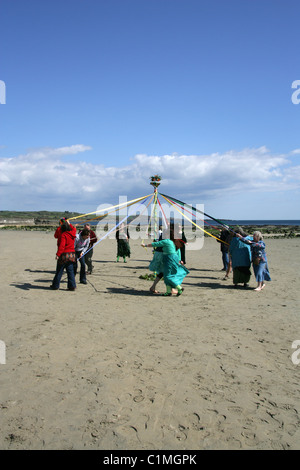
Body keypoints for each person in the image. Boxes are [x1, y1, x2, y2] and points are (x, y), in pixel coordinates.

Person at [142, 225, 189, 296]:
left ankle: (176, 288)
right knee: (165, 273)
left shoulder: (169, 239)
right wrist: (179, 259)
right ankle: (169, 290)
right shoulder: (171, 238)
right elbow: (177, 249)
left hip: (167, 258)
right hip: (167, 257)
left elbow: (157, 244)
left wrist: (145, 245)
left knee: (166, 275)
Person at [50, 220, 77, 291]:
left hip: (64, 255)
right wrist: (69, 223)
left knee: (59, 271)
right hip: (71, 255)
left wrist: (58, 255)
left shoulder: (63, 235)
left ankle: (55, 285)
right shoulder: (72, 234)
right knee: (70, 271)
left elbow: (62, 246)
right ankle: (72, 286)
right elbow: (74, 229)